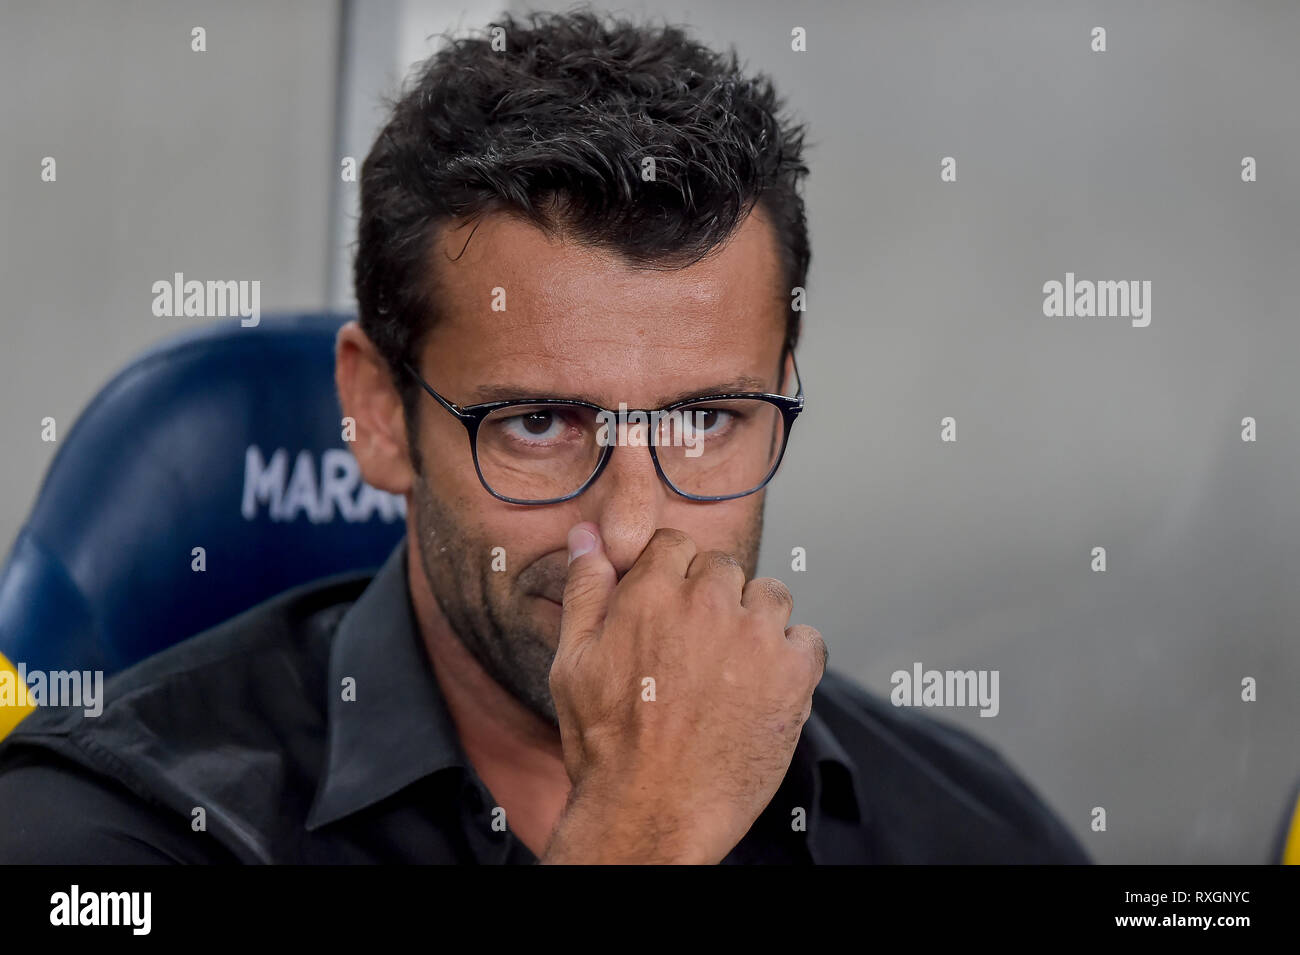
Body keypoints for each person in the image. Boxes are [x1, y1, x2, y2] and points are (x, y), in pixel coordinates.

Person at [0, 9, 1087, 864]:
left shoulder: (961, 825)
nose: (626, 528)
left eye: (705, 417)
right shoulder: (106, 829)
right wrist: (642, 833)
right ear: (379, 413)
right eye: (538, 422)